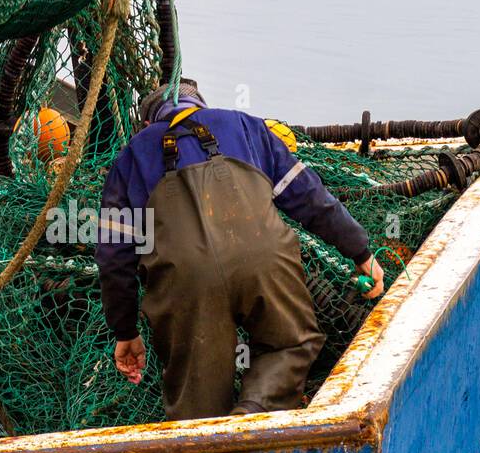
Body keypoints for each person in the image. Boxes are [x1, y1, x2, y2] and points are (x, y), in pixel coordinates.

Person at [94, 79, 383, 419]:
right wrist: (360, 251)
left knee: (195, 393)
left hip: (186, 282)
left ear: (148, 123)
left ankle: (206, 446)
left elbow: (114, 258)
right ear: (201, 105)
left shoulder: (132, 156)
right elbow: (311, 199)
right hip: (264, 260)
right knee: (292, 343)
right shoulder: (245, 125)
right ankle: (254, 412)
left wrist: (125, 331)